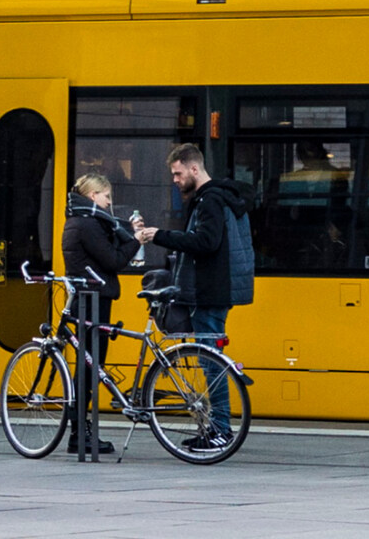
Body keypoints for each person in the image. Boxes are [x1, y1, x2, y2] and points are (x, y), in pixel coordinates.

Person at [138, 144, 254, 451]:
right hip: (215, 289)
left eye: (177, 173)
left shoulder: (210, 200)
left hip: (210, 290)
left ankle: (220, 430)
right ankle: (217, 428)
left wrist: (159, 235)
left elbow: (206, 241)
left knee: (211, 363)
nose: (175, 180)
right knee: (210, 360)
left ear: (194, 168)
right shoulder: (219, 196)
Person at [61, 173, 143, 454]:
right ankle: (80, 434)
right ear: (93, 196)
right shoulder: (86, 225)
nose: (109, 203)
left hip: (91, 302)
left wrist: (127, 233)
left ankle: (80, 432)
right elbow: (114, 259)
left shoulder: (82, 221)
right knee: (88, 369)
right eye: (107, 197)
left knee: (88, 368)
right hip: (92, 304)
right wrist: (137, 241)